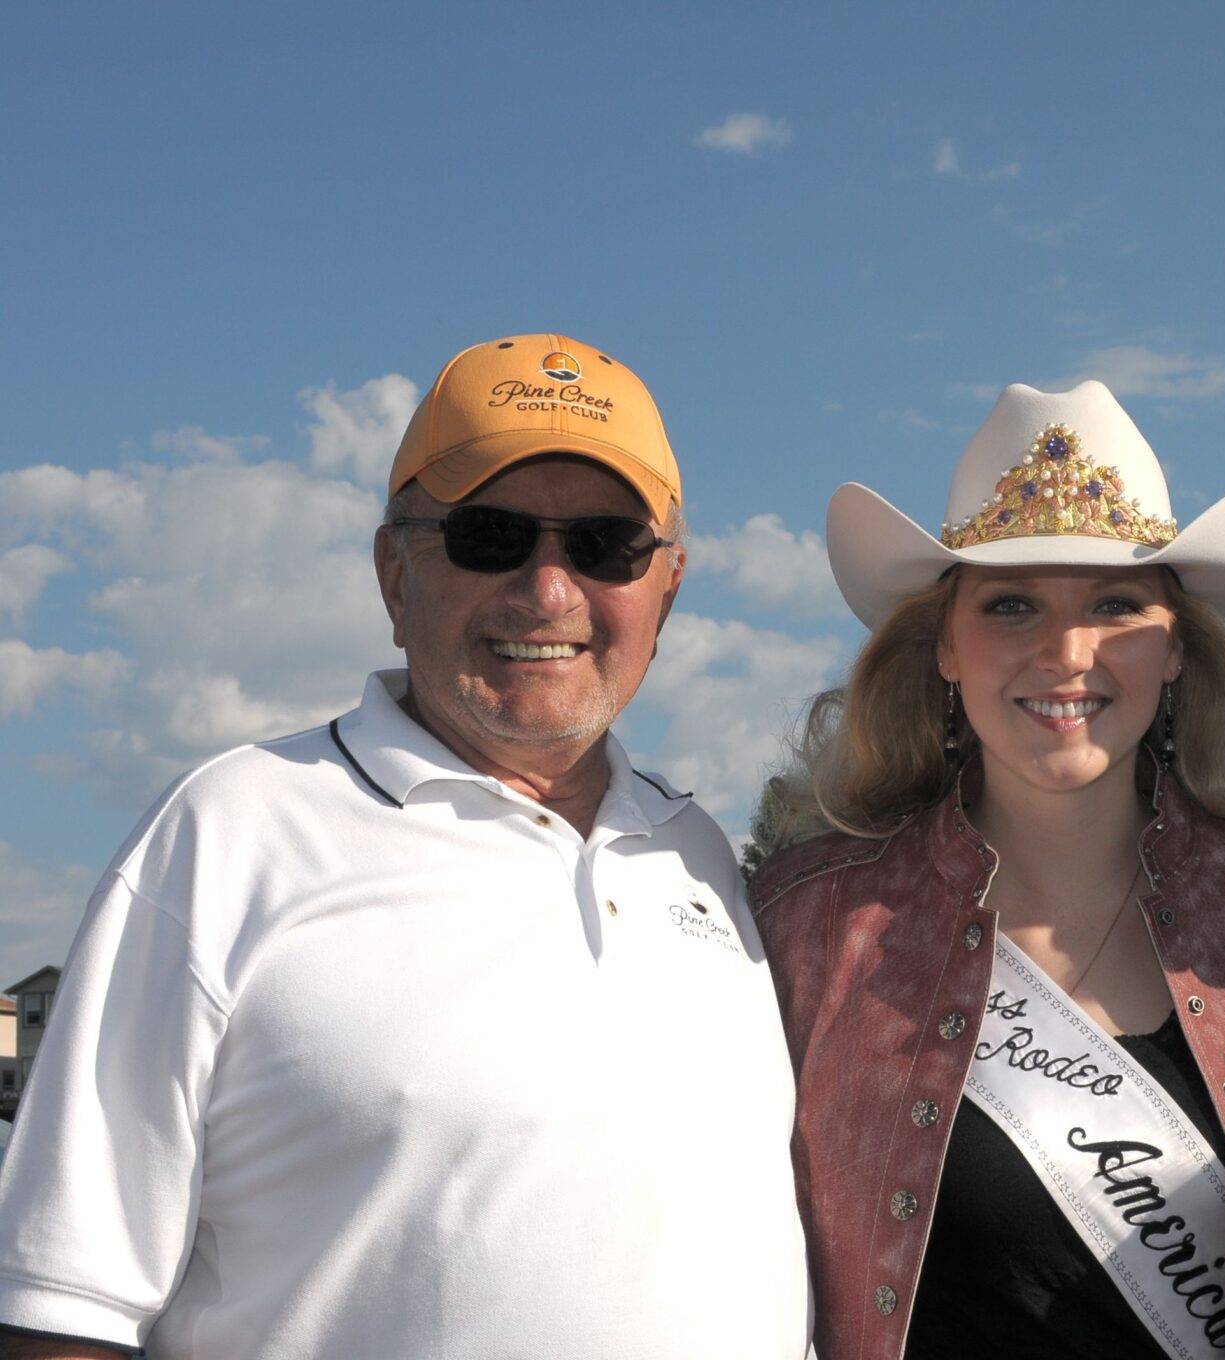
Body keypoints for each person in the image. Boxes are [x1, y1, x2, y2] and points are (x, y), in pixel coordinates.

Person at [0, 334, 810, 1359]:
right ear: (394, 573)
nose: (549, 589)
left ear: (668, 587)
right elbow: (65, 1311)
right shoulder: (227, 834)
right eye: (490, 535)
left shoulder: (695, 855)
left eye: (605, 545)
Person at [750, 380, 1225, 1360]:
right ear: (945, 646)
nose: (1067, 651)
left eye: (1116, 604)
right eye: (1012, 604)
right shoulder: (810, 923)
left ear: (1174, 652)